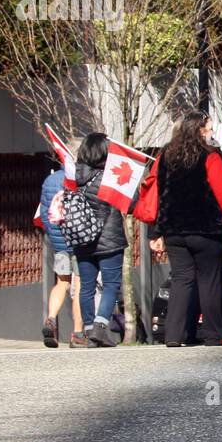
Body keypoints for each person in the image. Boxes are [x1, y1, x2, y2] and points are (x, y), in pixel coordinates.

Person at [150, 112, 222, 347]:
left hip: (174, 229)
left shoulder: (166, 155)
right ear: (199, 130)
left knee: (181, 279)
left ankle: (174, 334)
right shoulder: (210, 156)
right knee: (209, 279)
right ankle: (213, 333)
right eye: (208, 129)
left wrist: (158, 231)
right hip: (206, 227)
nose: (211, 133)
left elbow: (161, 193)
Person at [73, 133, 128, 347]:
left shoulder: (73, 176)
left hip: (82, 238)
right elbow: (130, 205)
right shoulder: (111, 176)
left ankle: (88, 331)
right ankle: (100, 326)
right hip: (109, 237)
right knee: (111, 284)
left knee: (86, 286)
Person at [39, 160, 84, 348]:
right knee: (80, 284)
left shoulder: (50, 180)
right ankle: (78, 333)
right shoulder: (81, 179)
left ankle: (50, 319)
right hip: (79, 242)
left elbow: (43, 213)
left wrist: (54, 235)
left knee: (62, 282)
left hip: (59, 242)